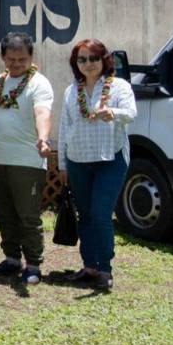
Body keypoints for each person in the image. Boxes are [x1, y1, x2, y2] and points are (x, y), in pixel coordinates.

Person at [58, 38, 135, 292]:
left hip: (110, 159)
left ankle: (105, 269)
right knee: (86, 215)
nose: (88, 64)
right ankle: (89, 265)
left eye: (93, 58)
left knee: (101, 214)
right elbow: (64, 128)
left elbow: (131, 113)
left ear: (104, 60)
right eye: (82, 59)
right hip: (78, 160)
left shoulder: (118, 87)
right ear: (75, 63)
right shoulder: (72, 91)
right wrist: (62, 164)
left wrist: (113, 113)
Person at [0, 33, 55, 285]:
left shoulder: (39, 83)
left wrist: (43, 138)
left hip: (27, 160)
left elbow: (42, 113)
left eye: (22, 59)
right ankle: (11, 258)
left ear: (31, 57)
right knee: (3, 212)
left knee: (28, 216)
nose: (16, 64)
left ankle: (33, 264)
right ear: (3, 57)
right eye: (11, 59)